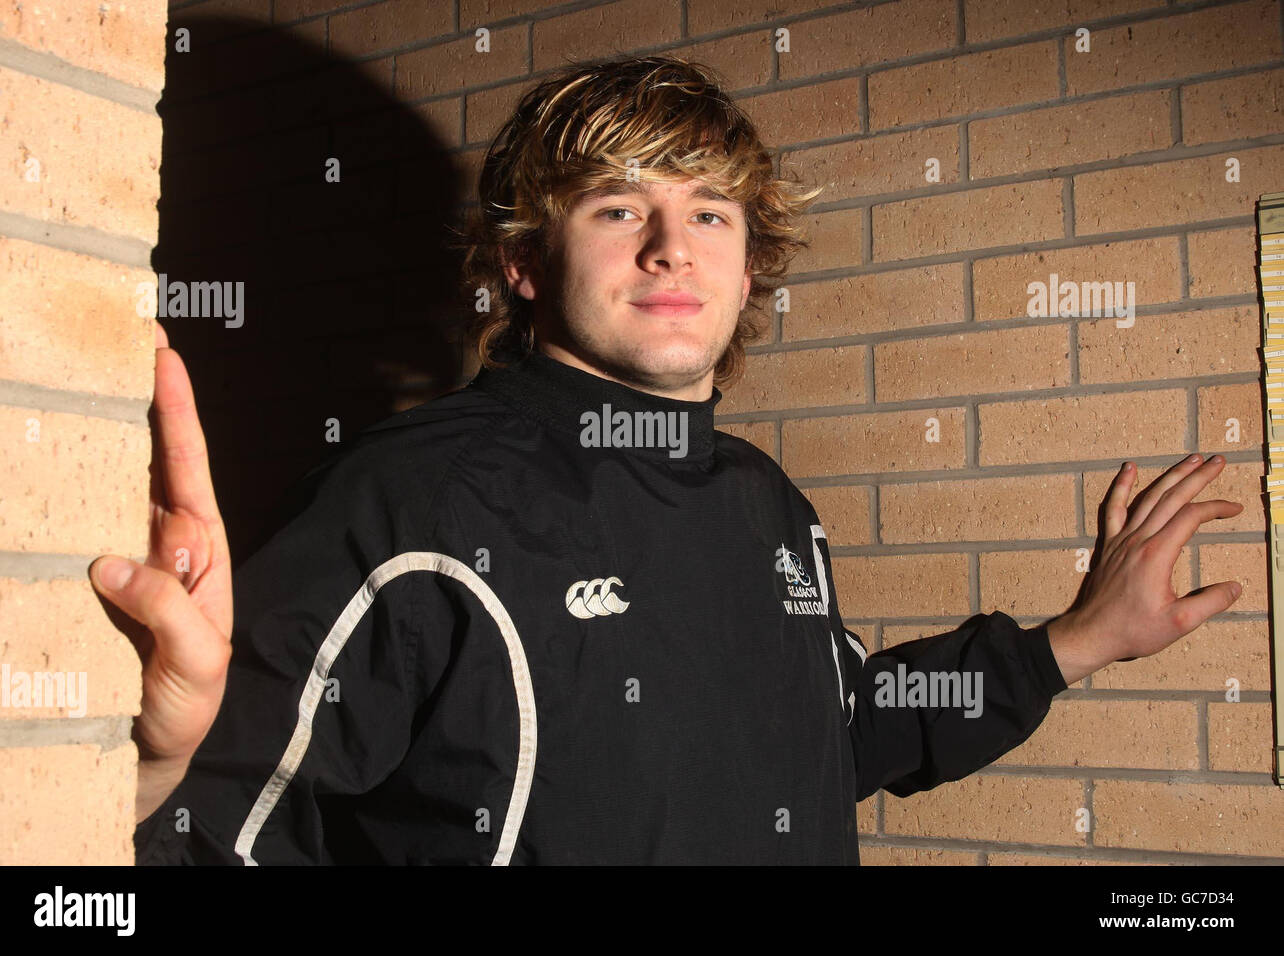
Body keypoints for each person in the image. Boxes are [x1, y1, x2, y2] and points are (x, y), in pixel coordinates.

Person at [92, 55, 1244, 865]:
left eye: (710, 214)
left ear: (749, 269)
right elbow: (206, 827)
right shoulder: (406, 500)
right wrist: (144, 776)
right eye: (614, 206)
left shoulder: (767, 504)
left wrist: (1075, 640)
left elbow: (831, 733)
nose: (668, 246)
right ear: (526, 265)